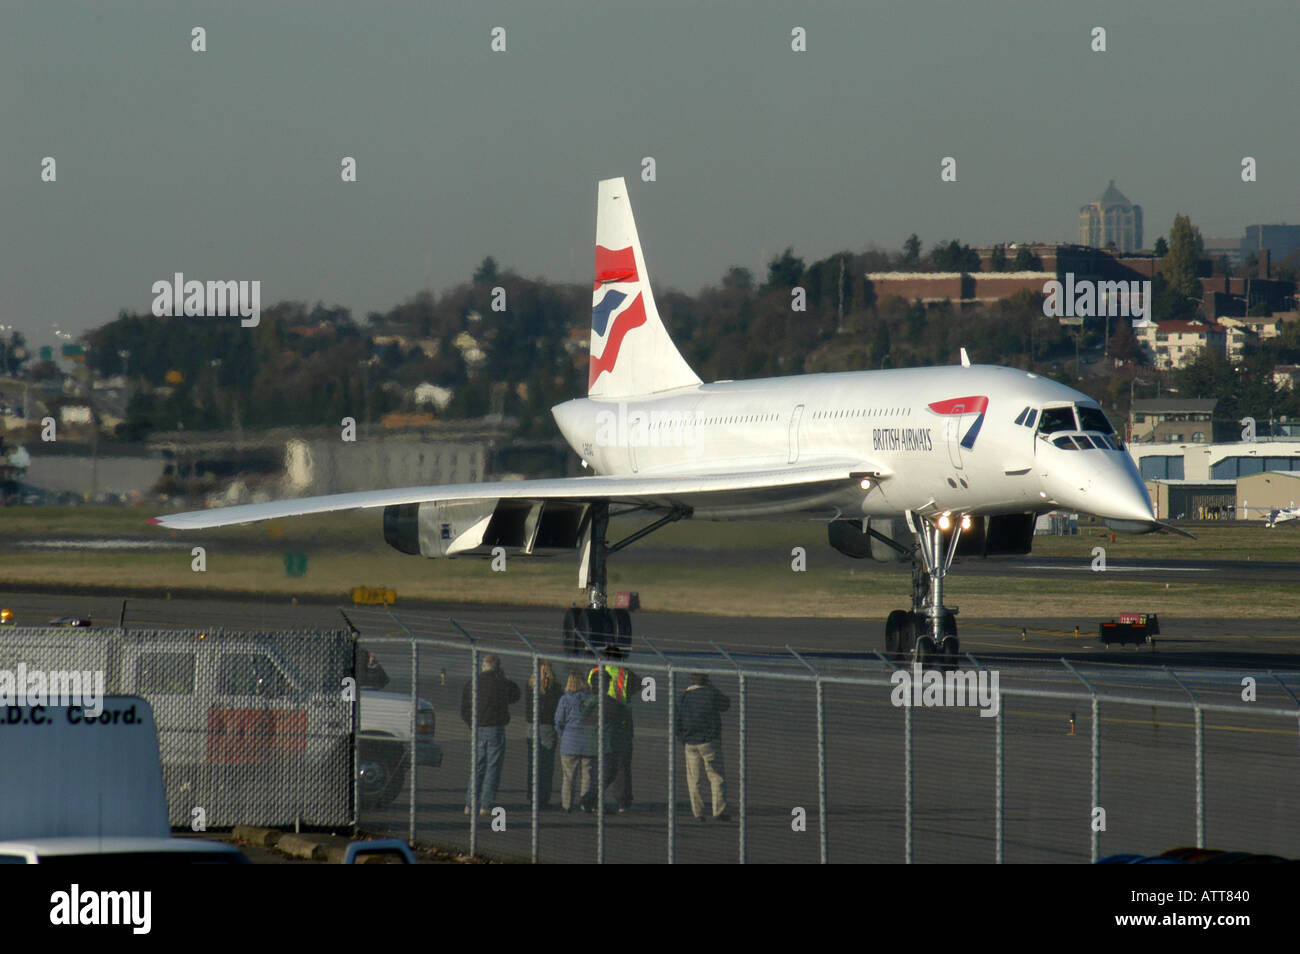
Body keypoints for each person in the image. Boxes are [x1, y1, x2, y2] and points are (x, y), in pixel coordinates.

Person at [460, 654, 520, 815]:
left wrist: (472, 724)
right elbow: (516, 695)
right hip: (495, 727)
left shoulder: (473, 683)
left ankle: (469, 803)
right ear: (497, 667)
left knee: (477, 766)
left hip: (478, 727)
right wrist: (503, 677)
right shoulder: (501, 683)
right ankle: (485, 805)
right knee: (493, 767)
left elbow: (464, 708)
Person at [677, 673, 731, 822]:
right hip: (709, 741)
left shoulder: (684, 697)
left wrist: (683, 738)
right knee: (716, 776)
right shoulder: (711, 694)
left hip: (690, 742)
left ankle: (698, 813)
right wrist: (713, 688)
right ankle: (719, 810)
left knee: (694, 779)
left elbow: (677, 719)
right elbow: (725, 704)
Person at [588, 646, 636, 812]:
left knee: (597, 763)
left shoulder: (594, 671)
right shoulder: (626, 673)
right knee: (622, 765)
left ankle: (593, 799)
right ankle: (623, 802)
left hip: (599, 720)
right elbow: (639, 687)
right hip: (621, 723)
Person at [553, 668, 595, 812]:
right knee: (587, 776)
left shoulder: (565, 699)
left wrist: (562, 735)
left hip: (570, 741)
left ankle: (567, 804)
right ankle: (585, 803)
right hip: (588, 742)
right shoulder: (590, 698)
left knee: (569, 776)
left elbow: (558, 720)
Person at [524, 660, 562, 809]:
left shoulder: (530, 686)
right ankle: (543, 798)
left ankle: (532, 796)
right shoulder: (555, 688)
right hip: (547, 726)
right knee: (546, 765)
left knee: (533, 763)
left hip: (531, 725)